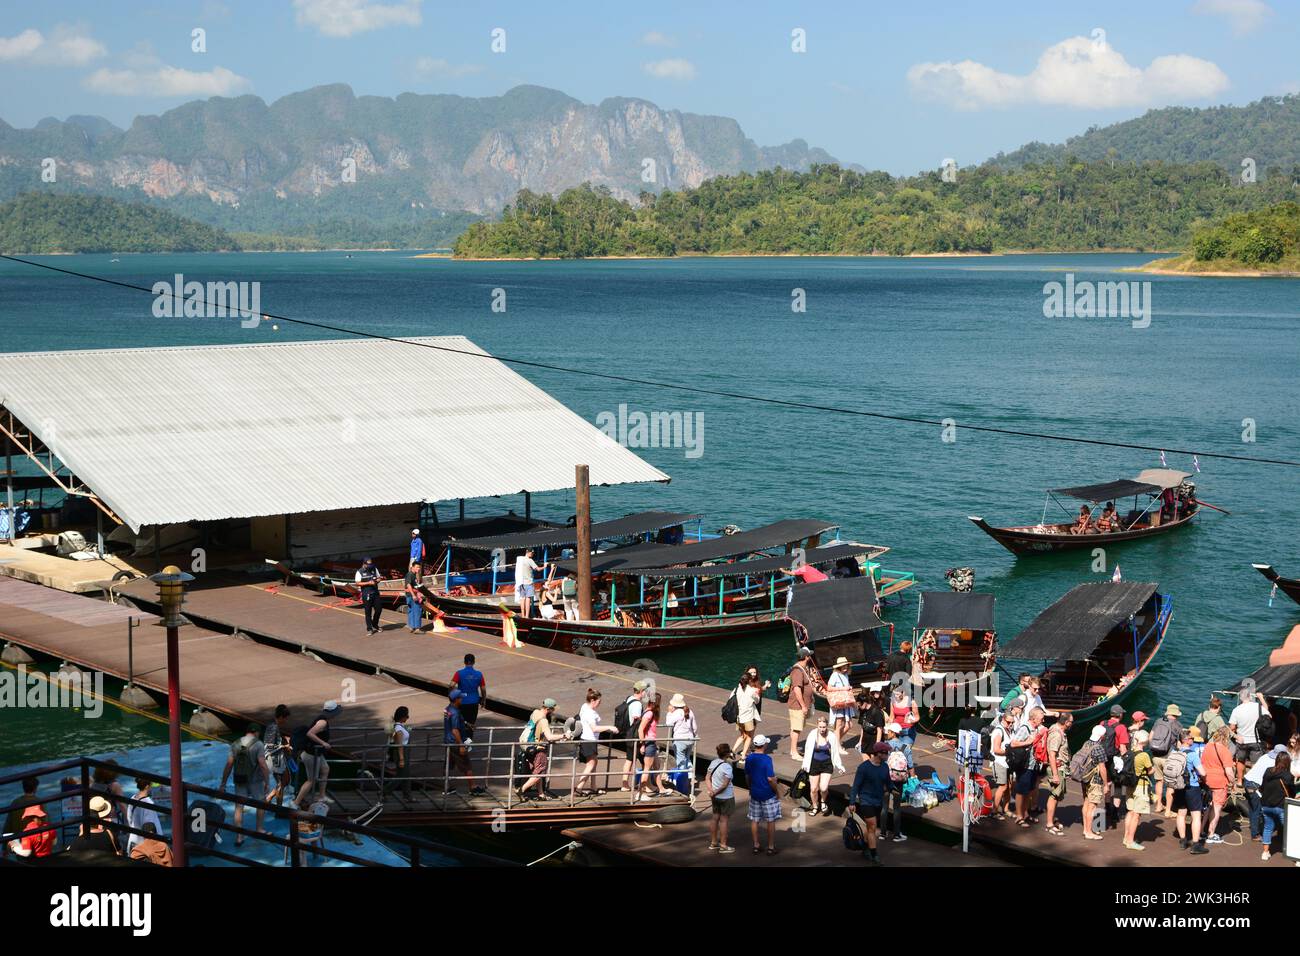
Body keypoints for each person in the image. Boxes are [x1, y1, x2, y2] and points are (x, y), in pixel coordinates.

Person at [221, 723, 269, 845]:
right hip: (255, 781)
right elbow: (262, 764)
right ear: (257, 732)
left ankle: (239, 836)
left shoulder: (235, 743)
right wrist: (267, 782)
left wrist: (223, 783)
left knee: (239, 807)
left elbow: (229, 764)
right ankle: (259, 829)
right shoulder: (258, 744)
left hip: (239, 779)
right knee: (261, 804)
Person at [850, 742, 892, 865]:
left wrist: (895, 789)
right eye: (886, 753)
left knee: (870, 828)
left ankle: (865, 847)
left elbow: (888, 783)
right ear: (879, 753)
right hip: (866, 800)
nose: (888, 755)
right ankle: (874, 856)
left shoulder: (885, 767)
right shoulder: (863, 768)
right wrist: (852, 801)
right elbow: (856, 786)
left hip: (878, 801)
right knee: (873, 826)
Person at [519, 697, 568, 802]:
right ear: (549, 709)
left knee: (538, 770)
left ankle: (541, 794)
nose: (553, 711)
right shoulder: (544, 720)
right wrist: (564, 735)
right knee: (540, 771)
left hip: (528, 746)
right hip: (538, 748)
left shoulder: (535, 712)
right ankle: (521, 790)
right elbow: (549, 737)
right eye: (553, 709)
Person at [1170, 728, 1209, 855]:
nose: (1193, 740)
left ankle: (1182, 840)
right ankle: (1196, 844)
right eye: (1192, 738)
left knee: (1181, 813)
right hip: (1192, 787)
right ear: (1186, 740)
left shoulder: (1174, 752)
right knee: (1196, 815)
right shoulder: (1192, 754)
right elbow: (1202, 772)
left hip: (1178, 786)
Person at [294, 700, 339, 807]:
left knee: (325, 769)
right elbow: (310, 733)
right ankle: (295, 803)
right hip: (311, 754)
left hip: (317, 753)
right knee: (311, 780)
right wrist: (323, 743)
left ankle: (322, 796)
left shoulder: (323, 720)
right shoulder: (322, 722)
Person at [1243, 743, 1289, 844]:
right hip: (1255, 785)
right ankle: (1255, 835)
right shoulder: (1274, 763)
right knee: (1257, 810)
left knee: (1252, 809)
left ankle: (1255, 831)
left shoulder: (1265, 756)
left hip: (1247, 780)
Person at [744, 735, 782, 855]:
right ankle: (770, 847)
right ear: (764, 745)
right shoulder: (767, 759)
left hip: (755, 793)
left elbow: (747, 776)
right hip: (767, 794)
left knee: (755, 820)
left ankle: (756, 845)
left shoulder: (749, 758)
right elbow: (770, 779)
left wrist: (750, 788)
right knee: (770, 821)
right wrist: (777, 792)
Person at [1008, 707, 1046, 827]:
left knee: (1029, 791)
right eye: (1041, 718)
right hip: (1024, 765)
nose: (1043, 720)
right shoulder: (1025, 728)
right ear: (1033, 718)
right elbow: (1013, 743)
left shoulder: (1035, 728)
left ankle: (1025, 814)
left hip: (1033, 765)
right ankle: (1019, 816)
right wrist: (1028, 742)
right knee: (1021, 791)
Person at [801, 716, 845, 817]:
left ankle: (823, 801)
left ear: (827, 726)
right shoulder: (812, 734)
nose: (822, 729)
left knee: (824, 788)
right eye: (820, 727)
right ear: (817, 726)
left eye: (824, 727)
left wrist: (840, 766)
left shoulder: (832, 736)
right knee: (813, 789)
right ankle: (815, 806)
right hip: (814, 763)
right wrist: (805, 764)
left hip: (826, 764)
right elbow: (807, 750)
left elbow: (835, 753)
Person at [575, 689, 617, 796]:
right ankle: (578, 788)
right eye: (599, 701)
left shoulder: (584, 706)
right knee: (590, 764)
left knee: (594, 763)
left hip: (588, 739)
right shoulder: (590, 713)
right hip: (589, 740)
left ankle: (593, 786)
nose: (600, 703)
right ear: (593, 700)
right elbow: (594, 728)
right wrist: (610, 727)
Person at [1200, 726, 1236, 844]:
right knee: (1216, 808)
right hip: (1219, 783)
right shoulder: (1225, 751)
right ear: (1227, 737)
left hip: (1206, 781)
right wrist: (1233, 783)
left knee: (1207, 806)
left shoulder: (1207, 746)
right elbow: (1229, 772)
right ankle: (1211, 834)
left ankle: (1200, 831)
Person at [4, 776, 53, 860]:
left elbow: (8, 826)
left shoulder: (15, 803)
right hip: (39, 843)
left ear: (23, 787)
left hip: (21, 843)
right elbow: (47, 821)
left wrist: (4, 847)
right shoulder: (40, 802)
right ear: (35, 788)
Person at [444, 690, 483, 796]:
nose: (462, 699)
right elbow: (455, 730)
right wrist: (461, 745)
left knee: (448, 765)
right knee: (467, 764)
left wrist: (467, 724)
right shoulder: (456, 712)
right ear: (456, 699)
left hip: (448, 741)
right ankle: (473, 787)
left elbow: (454, 722)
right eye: (461, 698)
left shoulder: (448, 709)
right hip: (456, 742)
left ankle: (447, 787)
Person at [786, 647, 822, 759]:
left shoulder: (802, 669)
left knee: (796, 728)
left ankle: (793, 750)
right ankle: (794, 752)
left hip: (799, 705)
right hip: (797, 705)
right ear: (806, 657)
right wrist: (803, 706)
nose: (810, 657)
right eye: (809, 655)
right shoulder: (797, 671)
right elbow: (797, 689)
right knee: (797, 728)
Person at [636, 694, 674, 800]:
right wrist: (643, 744)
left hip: (652, 743)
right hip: (648, 743)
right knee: (647, 769)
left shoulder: (649, 713)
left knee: (657, 766)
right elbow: (640, 729)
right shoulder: (649, 714)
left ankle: (661, 788)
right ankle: (640, 793)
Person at [1121, 729, 1154, 851]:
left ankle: (1126, 837)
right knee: (1136, 815)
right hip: (1140, 786)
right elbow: (1150, 771)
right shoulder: (1144, 755)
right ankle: (1130, 841)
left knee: (1130, 811)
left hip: (1130, 785)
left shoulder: (1130, 752)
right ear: (1145, 742)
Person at [1149, 703, 1184, 817]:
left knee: (1159, 781)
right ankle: (1168, 811)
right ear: (1176, 714)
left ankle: (1159, 805)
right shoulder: (1177, 725)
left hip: (1156, 755)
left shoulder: (1159, 721)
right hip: (1168, 758)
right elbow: (1180, 744)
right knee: (1170, 784)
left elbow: (1150, 737)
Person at [882, 722, 915, 841]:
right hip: (898, 780)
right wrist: (913, 778)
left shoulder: (885, 746)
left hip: (886, 779)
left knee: (884, 806)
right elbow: (910, 765)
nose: (886, 733)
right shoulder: (905, 747)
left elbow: (880, 761)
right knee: (896, 807)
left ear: (892, 733)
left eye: (888, 731)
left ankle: (882, 833)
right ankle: (896, 834)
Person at [1078, 724, 1111, 841]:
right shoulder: (1099, 748)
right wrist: (1106, 784)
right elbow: (1102, 768)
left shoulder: (1086, 743)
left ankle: (1085, 829)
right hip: (1095, 780)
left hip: (1085, 778)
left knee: (1086, 803)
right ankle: (1088, 832)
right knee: (1092, 806)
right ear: (1102, 737)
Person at [1043, 712, 1073, 835]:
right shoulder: (1056, 734)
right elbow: (1052, 754)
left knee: (1057, 795)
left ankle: (1052, 819)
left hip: (1061, 768)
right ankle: (1049, 824)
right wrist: (1055, 774)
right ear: (1066, 722)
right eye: (1071, 721)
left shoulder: (1057, 731)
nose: (1072, 724)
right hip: (1057, 768)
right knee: (1054, 796)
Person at [1259, 752, 1293, 861]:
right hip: (1280, 806)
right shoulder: (1288, 775)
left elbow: (1262, 787)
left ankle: (1265, 853)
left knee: (1268, 828)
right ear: (1288, 762)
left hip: (1266, 805)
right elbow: (1291, 792)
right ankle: (1295, 855)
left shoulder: (1268, 771)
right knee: (1290, 829)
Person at [1229, 689, 1268, 782]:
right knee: (1255, 762)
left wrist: (1236, 735)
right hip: (1256, 740)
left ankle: (1239, 781)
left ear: (1240, 697)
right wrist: (1261, 698)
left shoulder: (1236, 710)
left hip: (1241, 740)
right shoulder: (1258, 707)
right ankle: (1254, 781)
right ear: (1250, 696)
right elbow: (1267, 712)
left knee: (1241, 761)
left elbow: (1232, 727)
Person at [706, 744, 736, 853]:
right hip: (726, 797)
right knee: (724, 821)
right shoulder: (727, 767)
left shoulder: (713, 762)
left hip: (715, 796)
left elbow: (707, 777)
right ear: (728, 753)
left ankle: (714, 843)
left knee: (715, 818)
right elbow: (724, 785)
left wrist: (711, 791)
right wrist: (715, 792)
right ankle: (723, 845)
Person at [618, 680, 648, 791]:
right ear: (641, 691)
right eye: (645, 691)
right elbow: (636, 719)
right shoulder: (637, 704)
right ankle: (644, 785)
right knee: (645, 761)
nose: (646, 693)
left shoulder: (628, 699)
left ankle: (625, 784)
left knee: (629, 759)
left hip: (628, 734)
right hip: (635, 736)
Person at [989, 708, 1018, 820]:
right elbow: (996, 749)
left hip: (1008, 763)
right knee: (1003, 787)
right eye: (1008, 722)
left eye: (1012, 722)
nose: (1010, 724)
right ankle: (994, 811)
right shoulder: (998, 731)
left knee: (1009, 787)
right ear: (1003, 719)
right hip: (999, 762)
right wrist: (1009, 752)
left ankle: (1006, 809)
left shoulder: (1009, 730)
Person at [263, 704, 293, 807]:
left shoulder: (273, 725)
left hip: (276, 757)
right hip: (274, 758)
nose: (285, 721)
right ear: (281, 717)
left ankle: (269, 798)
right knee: (281, 783)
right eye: (285, 718)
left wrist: (283, 738)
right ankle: (278, 809)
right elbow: (269, 746)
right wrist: (284, 746)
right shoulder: (273, 727)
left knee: (284, 781)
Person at [450, 654, 486, 736]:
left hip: (462, 702)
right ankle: (468, 744)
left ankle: (460, 743)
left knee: (461, 722)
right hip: (474, 703)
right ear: (474, 662)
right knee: (471, 724)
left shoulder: (459, 673)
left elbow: (451, 685)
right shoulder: (479, 674)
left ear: (464, 662)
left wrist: (452, 696)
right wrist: (483, 700)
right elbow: (483, 689)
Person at [125, 776, 162, 856]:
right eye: (151, 785)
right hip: (144, 845)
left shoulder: (133, 798)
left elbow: (129, 818)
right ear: (147, 786)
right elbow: (150, 826)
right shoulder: (148, 803)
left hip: (133, 840)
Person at [665, 693, 698, 781]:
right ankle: (691, 776)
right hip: (690, 739)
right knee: (687, 758)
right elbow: (694, 727)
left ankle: (683, 779)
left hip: (680, 740)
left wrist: (669, 713)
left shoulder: (676, 713)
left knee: (680, 760)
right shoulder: (689, 711)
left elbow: (669, 723)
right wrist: (694, 735)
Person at [731, 672, 763, 759]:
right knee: (749, 736)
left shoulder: (737, 689)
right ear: (749, 680)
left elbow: (731, 698)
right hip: (748, 717)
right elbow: (757, 701)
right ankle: (743, 755)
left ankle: (733, 750)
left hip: (739, 717)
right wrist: (757, 693)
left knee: (743, 735)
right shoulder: (751, 691)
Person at [828, 657, 855, 745]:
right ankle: (837, 745)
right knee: (838, 725)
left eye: (846, 665)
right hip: (839, 702)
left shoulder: (845, 675)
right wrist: (843, 688)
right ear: (839, 667)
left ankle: (835, 742)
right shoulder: (835, 675)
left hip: (846, 703)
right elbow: (829, 688)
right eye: (843, 665)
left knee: (849, 725)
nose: (845, 667)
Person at [387, 706, 412, 798]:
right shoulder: (399, 729)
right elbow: (399, 745)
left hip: (404, 752)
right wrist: (401, 759)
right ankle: (384, 792)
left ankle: (407, 795)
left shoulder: (400, 727)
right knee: (401, 775)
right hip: (401, 753)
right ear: (402, 717)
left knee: (407, 774)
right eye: (406, 716)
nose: (407, 718)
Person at [888, 683, 920, 751]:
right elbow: (892, 716)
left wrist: (912, 720)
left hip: (908, 732)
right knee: (895, 753)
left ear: (903, 692)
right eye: (894, 694)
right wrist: (888, 726)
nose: (896, 696)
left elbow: (917, 717)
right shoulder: (893, 701)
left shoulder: (911, 702)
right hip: (896, 732)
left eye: (897, 694)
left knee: (903, 751)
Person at [355, 556, 382, 634]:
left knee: (379, 609)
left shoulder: (374, 568)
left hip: (375, 592)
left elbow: (379, 578)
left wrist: (376, 581)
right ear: (364, 564)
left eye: (371, 564)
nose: (370, 566)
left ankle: (375, 624)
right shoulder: (359, 572)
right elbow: (357, 583)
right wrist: (368, 583)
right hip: (366, 594)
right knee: (368, 612)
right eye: (368, 564)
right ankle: (369, 628)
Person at [857, 688, 887, 753]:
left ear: (865, 702)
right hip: (865, 742)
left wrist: (877, 744)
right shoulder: (862, 711)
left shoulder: (876, 712)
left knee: (874, 761)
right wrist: (860, 741)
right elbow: (863, 727)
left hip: (874, 741)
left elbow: (879, 729)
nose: (859, 707)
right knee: (866, 762)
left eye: (860, 704)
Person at [515, 547, 541, 618]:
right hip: (528, 583)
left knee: (522, 599)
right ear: (528, 552)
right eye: (532, 553)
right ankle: (526, 616)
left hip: (521, 582)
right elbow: (538, 569)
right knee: (528, 600)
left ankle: (523, 615)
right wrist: (544, 566)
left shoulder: (520, 559)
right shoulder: (530, 560)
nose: (532, 554)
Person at [403, 561, 424, 633]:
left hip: (409, 595)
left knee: (411, 610)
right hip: (412, 595)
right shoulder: (410, 574)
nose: (418, 569)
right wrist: (413, 595)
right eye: (417, 567)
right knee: (417, 610)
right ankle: (417, 628)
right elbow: (408, 585)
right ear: (412, 567)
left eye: (419, 568)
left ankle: (412, 626)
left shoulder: (414, 575)